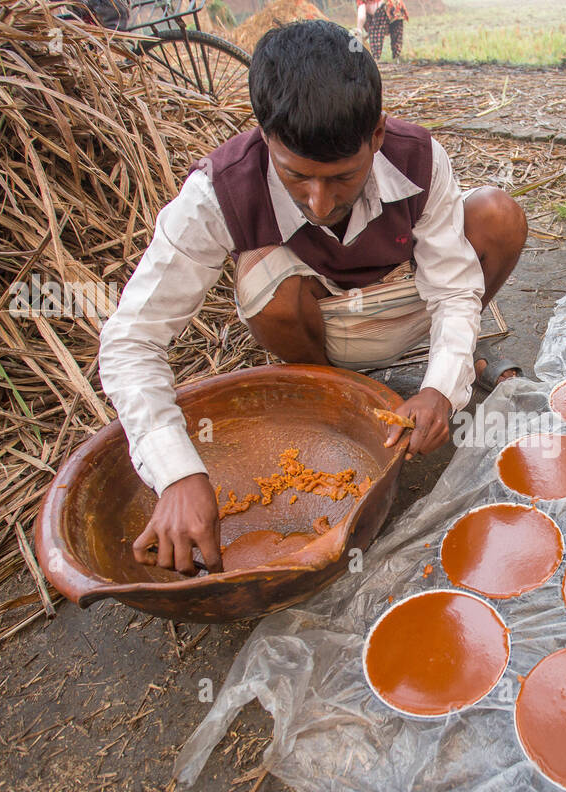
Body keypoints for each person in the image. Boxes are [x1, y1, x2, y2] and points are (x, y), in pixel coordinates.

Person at [98, 20, 527, 576]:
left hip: (404, 302)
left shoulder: (420, 158)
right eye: (296, 177)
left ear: (376, 136)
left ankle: (447, 365)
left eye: (343, 179)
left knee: (497, 216)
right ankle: (328, 399)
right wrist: (177, 472)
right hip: (313, 322)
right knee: (262, 279)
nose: (320, 202)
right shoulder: (215, 192)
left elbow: (452, 286)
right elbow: (133, 338)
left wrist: (442, 388)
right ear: (264, 135)